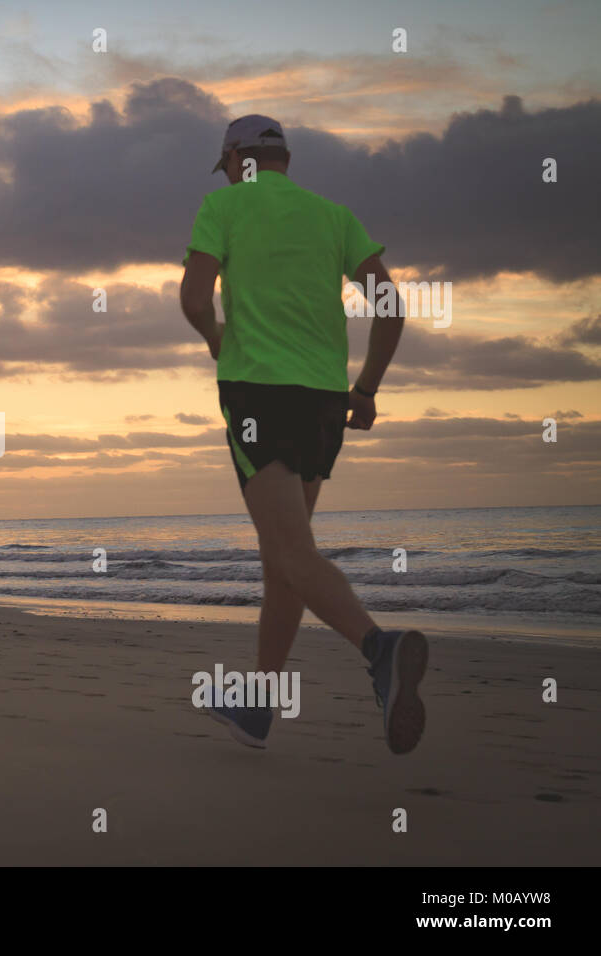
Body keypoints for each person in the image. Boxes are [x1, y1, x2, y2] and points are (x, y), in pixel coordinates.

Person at [179, 114, 427, 754]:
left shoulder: (224, 204)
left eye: (228, 163)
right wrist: (366, 387)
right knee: (282, 558)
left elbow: (195, 298)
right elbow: (390, 307)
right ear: (284, 158)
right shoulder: (334, 215)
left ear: (237, 158)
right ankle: (259, 706)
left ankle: (379, 649)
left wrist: (215, 341)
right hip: (323, 402)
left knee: (289, 554)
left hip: (257, 395)